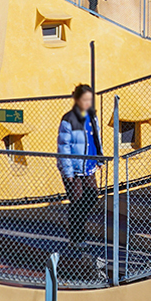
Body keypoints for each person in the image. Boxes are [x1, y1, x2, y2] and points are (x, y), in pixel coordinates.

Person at [57, 84, 104, 270]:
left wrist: (99, 157)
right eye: (85, 99)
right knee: (76, 201)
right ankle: (76, 238)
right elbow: (63, 146)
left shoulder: (92, 117)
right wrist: (68, 172)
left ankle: (77, 229)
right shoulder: (68, 120)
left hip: (89, 166)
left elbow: (96, 138)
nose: (88, 103)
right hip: (74, 168)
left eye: (90, 100)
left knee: (92, 196)